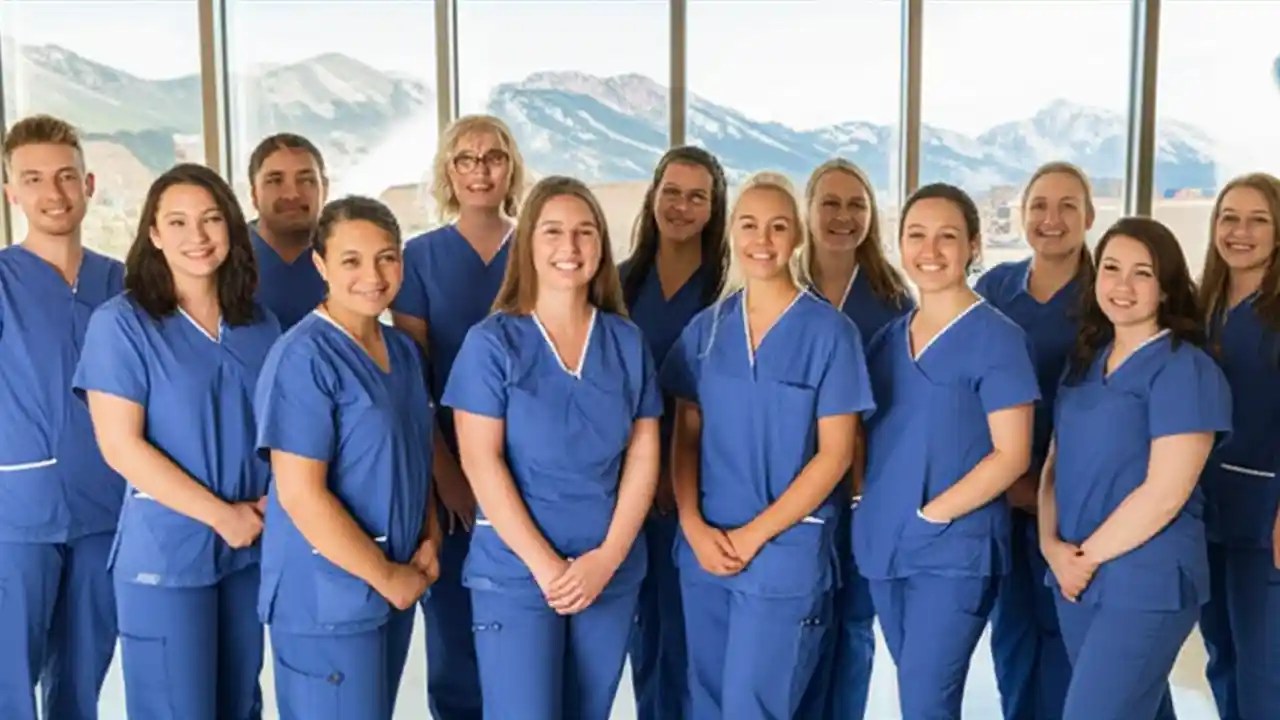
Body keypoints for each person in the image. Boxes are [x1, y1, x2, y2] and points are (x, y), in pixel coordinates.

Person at [444, 176, 660, 720]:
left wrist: (606, 559)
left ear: (602, 248)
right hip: (517, 571)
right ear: (529, 246)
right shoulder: (492, 343)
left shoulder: (625, 342)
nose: (570, 247)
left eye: (585, 232)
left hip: (605, 568)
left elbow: (642, 456)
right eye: (554, 232)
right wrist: (546, 567)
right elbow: (480, 460)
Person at [661, 171, 873, 719]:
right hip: (705, 548)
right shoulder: (706, 331)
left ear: (798, 236)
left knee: (755, 707)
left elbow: (836, 455)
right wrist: (693, 527)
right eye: (750, 224)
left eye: (778, 226)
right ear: (731, 231)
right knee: (705, 703)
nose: (763, 238)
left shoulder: (831, 335)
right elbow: (684, 439)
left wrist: (754, 535)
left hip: (783, 553)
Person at [73, 163, 280, 719]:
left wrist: (268, 507)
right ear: (154, 235)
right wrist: (221, 515)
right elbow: (122, 447)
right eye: (178, 221)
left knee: (240, 703)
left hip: (250, 547)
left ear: (233, 228)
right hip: (167, 554)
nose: (198, 236)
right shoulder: (122, 325)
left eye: (212, 219)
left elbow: (282, 428)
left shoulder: (260, 323)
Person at [854, 182, 1039, 720]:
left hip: (955, 550)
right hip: (886, 544)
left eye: (947, 237)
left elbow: (1013, 455)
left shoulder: (997, 338)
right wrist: (870, 505)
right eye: (917, 235)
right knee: (917, 695)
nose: (930, 251)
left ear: (974, 246)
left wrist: (933, 514)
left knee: (925, 698)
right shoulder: (887, 340)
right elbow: (866, 437)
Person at [254, 196, 439, 720]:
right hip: (326, 597)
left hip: (396, 577)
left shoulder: (401, 351)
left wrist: (430, 534)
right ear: (321, 265)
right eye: (351, 260)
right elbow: (300, 494)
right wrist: (386, 577)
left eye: (386, 257)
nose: (373, 276)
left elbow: (412, 450)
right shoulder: (303, 357)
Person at [1040, 216, 1231, 720]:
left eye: (1142, 273)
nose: (1122, 285)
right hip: (1075, 577)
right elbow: (1055, 465)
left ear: (1166, 288)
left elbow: (1165, 493)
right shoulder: (1083, 362)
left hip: (1147, 579)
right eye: (1111, 268)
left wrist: (1084, 557)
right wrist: (1051, 547)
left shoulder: (1184, 369)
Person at [391, 114, 525, 720]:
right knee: (453, 639)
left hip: (534, 469)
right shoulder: (418, 258)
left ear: (512, 169)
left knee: (525, 643)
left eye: (493, 157)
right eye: (465, 159)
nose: (480, 170)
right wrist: (447, 473)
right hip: (449, 474)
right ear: (447, 171)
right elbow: (414, 380)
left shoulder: (541, 249)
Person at [0, 114, 124, 720]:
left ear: (89, 183)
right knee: (8, 682)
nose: (53, 194)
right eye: (34, 178)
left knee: (82, 683)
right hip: (17, 515)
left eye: (66, 176)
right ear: (11, 192)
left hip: (107, 508)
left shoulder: (124, 285)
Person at [976, 161, 1095, 720]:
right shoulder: (995, 290)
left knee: (1084, 655)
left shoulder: (1109, 294)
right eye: (1039, 206)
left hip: (1086, 506)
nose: (1052, 219)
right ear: (1022, 217)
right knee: (1016, 645)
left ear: (1090, 217)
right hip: (1006, 496)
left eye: (1068, 206)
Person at [796, 157, 914, 720]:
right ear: (808, 210)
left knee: (854, 621)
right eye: (831, 203)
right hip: (793, 484)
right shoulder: (782, 291)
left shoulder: (895, 301)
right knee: (799, 617)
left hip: (870, 490)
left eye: (856, 204)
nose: (843, 217)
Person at [618, 144, 729, 720]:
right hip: (626, 487)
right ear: (652, 197)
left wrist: (673, 475)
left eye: (697, 196)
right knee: (647, 632)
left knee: (697, 637)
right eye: (671, 192)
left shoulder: (729, 293)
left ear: (714, 209)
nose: (681, 207)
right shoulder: (616, 285)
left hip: (702, 487)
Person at [1196, 173, 1280, 720]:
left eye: (1258, 220)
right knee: (1221, 654)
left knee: (1265, 667)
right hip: (1203, 508)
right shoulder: (1201, 306)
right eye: (1229, 217)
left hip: (1266, 516)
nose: (1240, 231)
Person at [247, 133, 329, 330]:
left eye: (306, 180)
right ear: (254, 194)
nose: (292, 194)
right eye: (275, 181)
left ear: (324, 190)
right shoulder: (224, 257)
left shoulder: (346, 256)